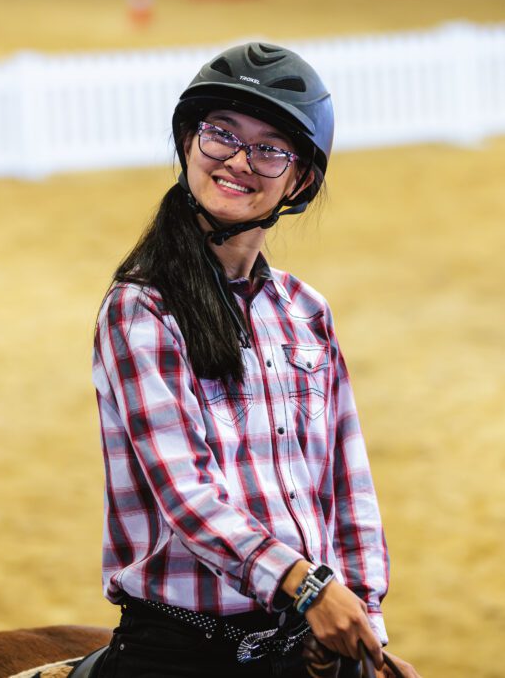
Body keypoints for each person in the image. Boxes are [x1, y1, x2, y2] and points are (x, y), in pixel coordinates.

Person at [92, 42, 419, 678]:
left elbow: (346, 490)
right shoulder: (140, 308)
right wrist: (306, 586)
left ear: (300, 180)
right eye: (222, 134)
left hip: (303, 634)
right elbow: (184, 494)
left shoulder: (305, 311)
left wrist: (364, 627)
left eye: (270, 148)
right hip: (180, 647)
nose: (239, 160)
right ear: (189, 142)